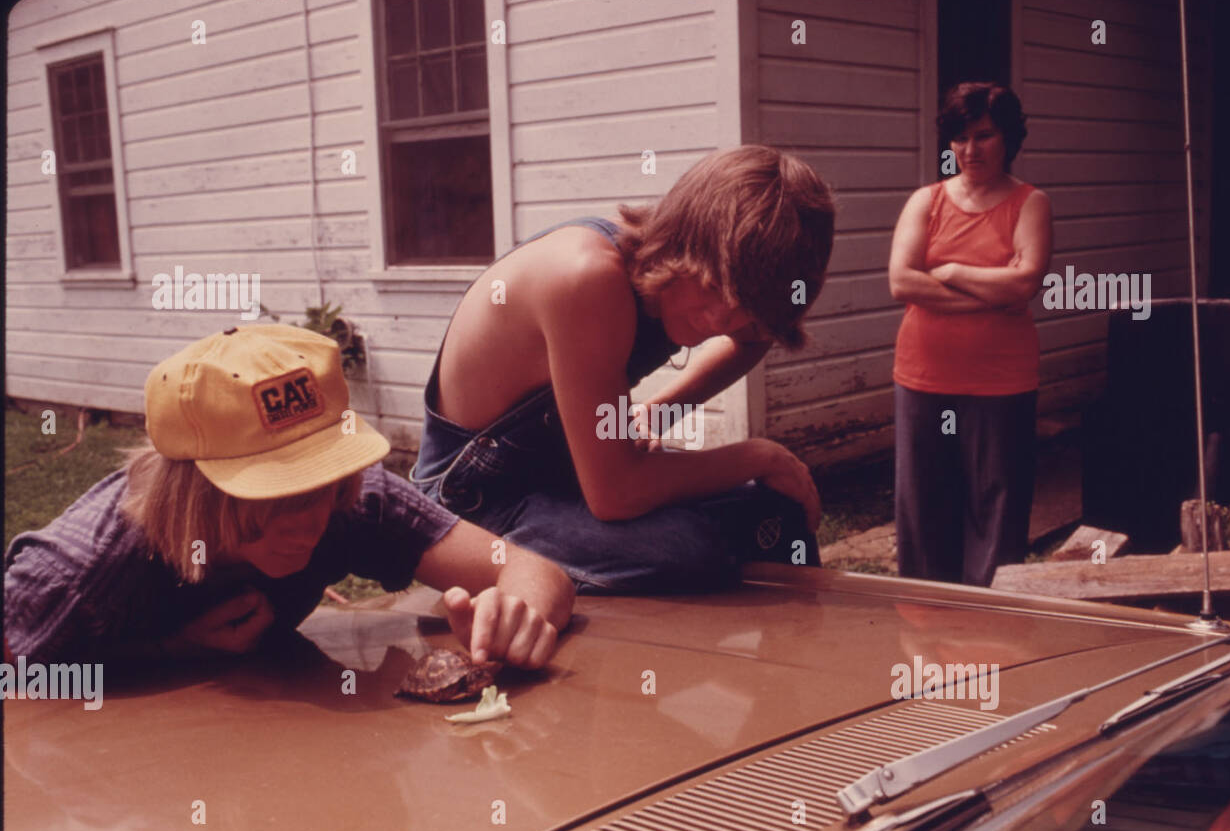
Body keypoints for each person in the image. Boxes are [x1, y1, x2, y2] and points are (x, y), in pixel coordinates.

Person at [3, 324, 574, 667]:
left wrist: (518, 612)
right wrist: (169, 649)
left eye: (321, 478)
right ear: (193, 490)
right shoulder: (73, 576)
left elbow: (532, 568)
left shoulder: (352, 502)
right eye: (270, 494)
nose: (306, 522)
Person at [409, 145, 837, 593]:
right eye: (712, 288)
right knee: (688, 551)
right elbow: (616, 495)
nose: (719, 322)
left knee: (775, 512)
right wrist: (761, 455)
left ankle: (814, 651)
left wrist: (659, 412)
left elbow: (753, 340)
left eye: (746, 310)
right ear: (682, 239)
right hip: (470, 500)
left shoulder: (685, 282)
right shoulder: (584, 277)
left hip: (566, 470)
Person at [887, 82, 1053, 586]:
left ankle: (991, 623)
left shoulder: (1031, 203)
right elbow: (901, 281)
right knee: (924, 501)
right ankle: (924, 617)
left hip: (1001, 381)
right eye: (959, 138)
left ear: (1009, 139)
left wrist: (953, 271)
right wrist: (991, 292)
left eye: (983, 136)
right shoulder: (926, 201)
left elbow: (1026, 281)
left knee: (996, 502)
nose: (969, 150)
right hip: (924, 375)